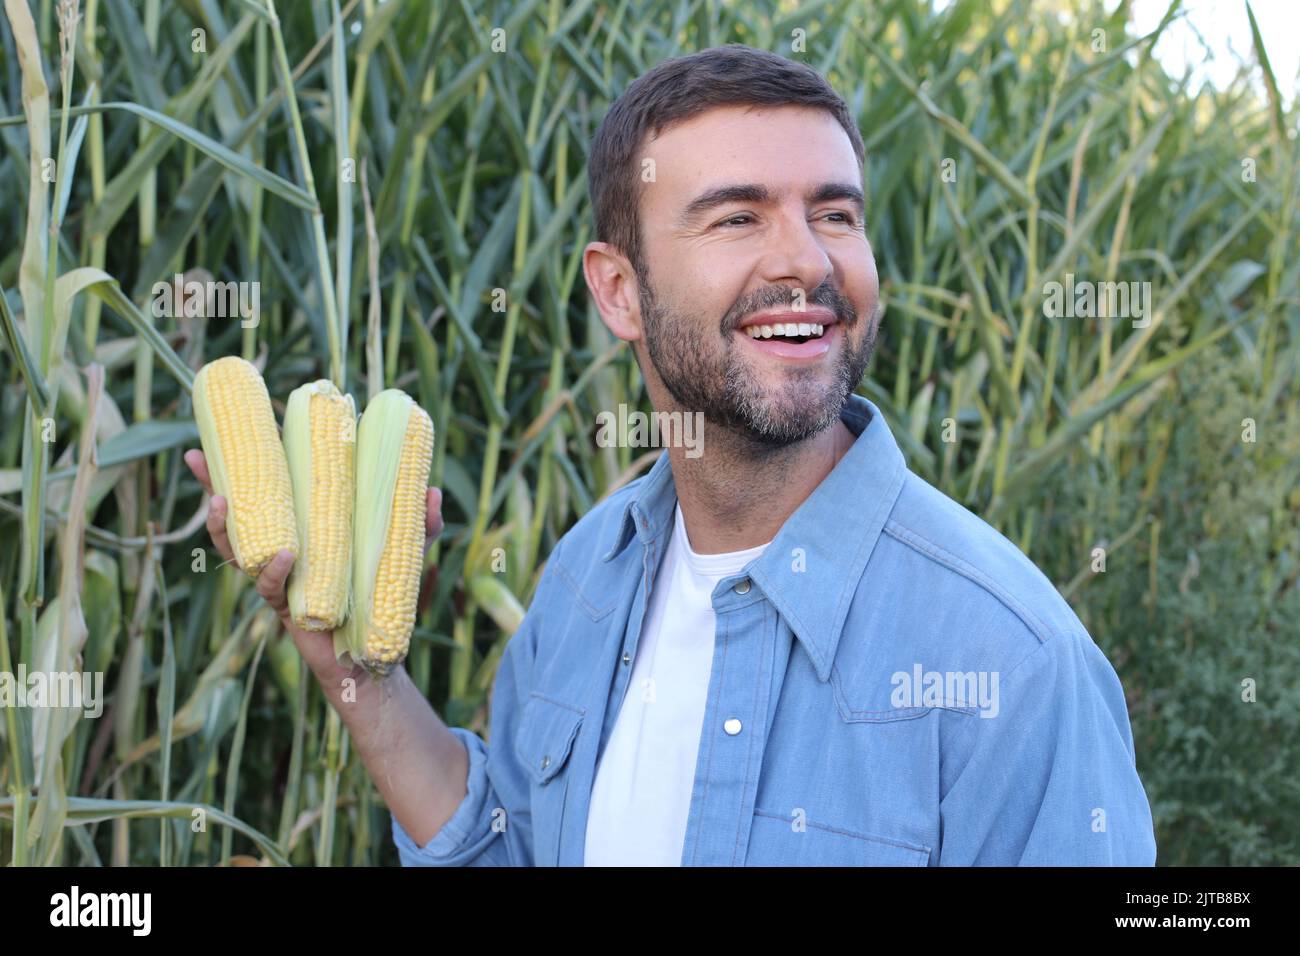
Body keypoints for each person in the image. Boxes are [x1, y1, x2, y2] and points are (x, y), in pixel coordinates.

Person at [189, 44, 1157, 866]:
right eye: (738, 216)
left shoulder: (1012, 666)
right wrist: (356, 671)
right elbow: (506, 844)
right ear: (617, 291)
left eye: (836, 213)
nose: (807, 262)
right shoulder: (586, 580)